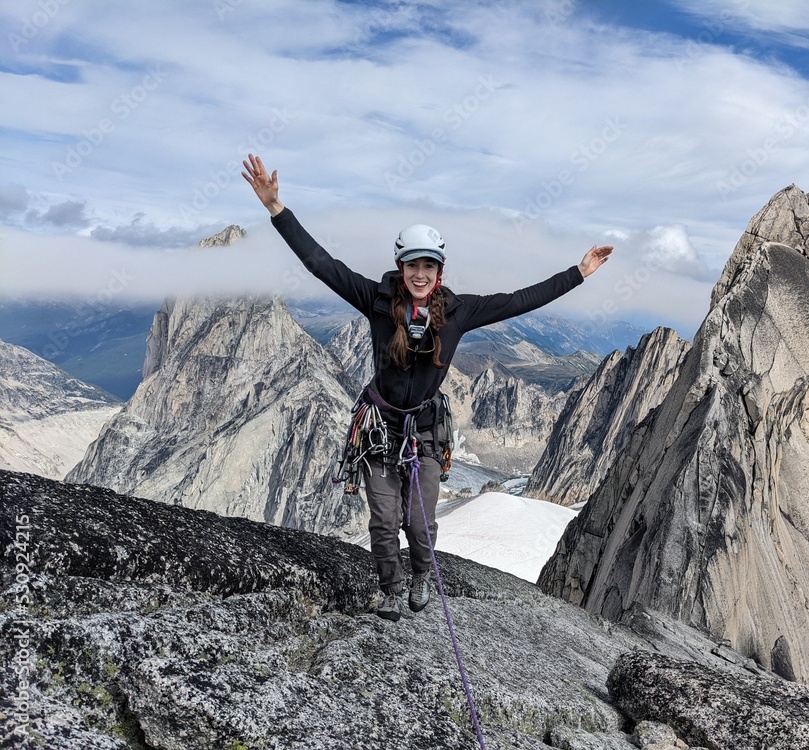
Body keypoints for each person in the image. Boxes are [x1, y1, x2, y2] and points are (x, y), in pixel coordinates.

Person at [242, 153, 612, 621]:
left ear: (440, 270)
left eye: (429, 267)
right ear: (401, 266)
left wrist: (578, 273)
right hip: (378, 428)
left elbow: (522, 300)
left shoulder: (460, 311)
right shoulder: (375, 300)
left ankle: (421, 574)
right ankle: (392, 589)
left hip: (425, 431)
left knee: (419, 523)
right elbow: (321, 264)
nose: (420, 274)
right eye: (412, 266)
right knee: (383, 519)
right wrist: (278, 210)